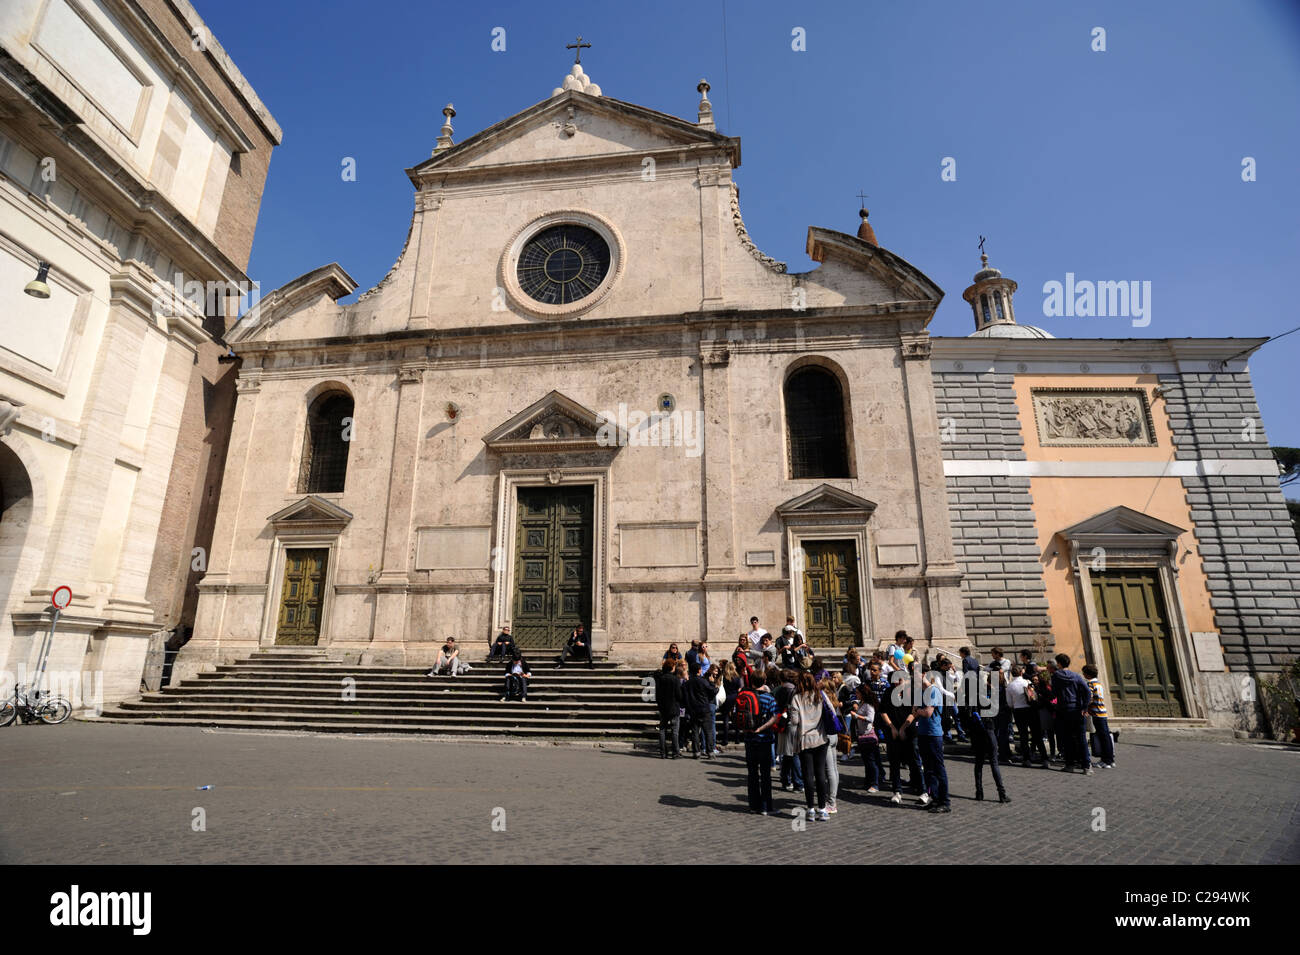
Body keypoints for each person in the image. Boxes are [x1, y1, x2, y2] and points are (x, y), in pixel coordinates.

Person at [879, 668, 926, 806]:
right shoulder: (888, 692)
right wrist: (893, 728)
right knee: (894, 762)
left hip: (909, 731)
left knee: (915, 762)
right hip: (893, 732)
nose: (897, 683)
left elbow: (914, 712)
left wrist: (903, 728)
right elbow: (883, 711)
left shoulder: (912, 692)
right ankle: (897, 791)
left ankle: (923, 791)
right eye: (895, 680)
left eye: (899, 680)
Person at [788, 670, 831, 821]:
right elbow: (832, 710)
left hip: (804, 739)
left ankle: (810, 809)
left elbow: (794, 721)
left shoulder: (796, 698)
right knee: (820, 774)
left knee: (807, 775)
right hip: (820, 738)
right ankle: (822, 808)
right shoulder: (820, 695)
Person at [964, 673, 1010, 803]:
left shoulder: (977, 694)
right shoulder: (995, 694)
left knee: (978, 763)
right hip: (989, 729)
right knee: (994, 762)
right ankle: (1002, 794)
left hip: (977, 731)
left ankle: (979, 792)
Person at [741, 673, 780, 814]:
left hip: (749, 739)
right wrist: (762, 728)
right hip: (764, 739)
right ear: (764, 681)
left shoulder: (745, 696)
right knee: (765, 774)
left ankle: (753, 805)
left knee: (752, 773)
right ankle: (765, 806)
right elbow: (775, 717)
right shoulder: (769, 698)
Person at [1051, 653, 1094, 775]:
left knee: (1067, 738)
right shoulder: (1076, 676)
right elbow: (1087, 692)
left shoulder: (1056, 676)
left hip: (1063, 710)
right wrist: (1084, 707)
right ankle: (1087, 766)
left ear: (1059, 663)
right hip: (1077, 710)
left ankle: (1069, 764)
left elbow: (1054, 692)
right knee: (1081, 738)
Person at [914, 673, 951, 813]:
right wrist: (918, 710)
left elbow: (927, 713)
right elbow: (916, 711)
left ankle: (945, 801)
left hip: (933, 734)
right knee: (928, 769)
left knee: (938, 768)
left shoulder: (933, 690)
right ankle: (935, 798)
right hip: (923, 733)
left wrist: (918, 710)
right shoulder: (921, 692)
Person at [773, 669, 804, 791]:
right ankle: (798, 783)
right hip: (794, 723)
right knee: (793, 753)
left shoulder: (781, 690)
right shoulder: (797, 689)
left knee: (787, 754)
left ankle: (786, 780)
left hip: (784, 722)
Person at [1008, 664, 1045, 765]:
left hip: (1018, 711)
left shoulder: (1010, 686)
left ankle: (1026, 759)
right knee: (1036, 734)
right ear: (1021, 673)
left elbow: (1010, 703)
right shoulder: (1027, 682)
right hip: (1031, 710)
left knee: (1023, 735)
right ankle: (1044, 759)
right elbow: (1034, 695)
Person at [1083, 664, 1115, 769]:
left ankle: (1106, 761)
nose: (1083, 675)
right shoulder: (1098, 683)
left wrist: (1085, 708)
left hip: (1097, 713)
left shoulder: (1090, 684)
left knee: (1103, 737)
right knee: (1106, 737)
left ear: (1087, 674)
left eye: (1084, 673)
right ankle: (1110, 759)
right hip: (1103, 712)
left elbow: (1089, 698)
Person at [684, 661, 717, 759]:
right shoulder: (703, 681)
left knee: (695, 731)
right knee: (708, 731)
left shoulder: (688, 683)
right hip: (704, 708)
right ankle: (710, 751)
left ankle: (696, 752)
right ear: (699, 670)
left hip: (693, 709)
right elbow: (713, 691)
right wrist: (712, 683)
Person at [652, 660, 682, 758]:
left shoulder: (660, 679)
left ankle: (663, 752)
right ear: (672, 667)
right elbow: (679, 695)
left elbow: (657, 695)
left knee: (662, 730)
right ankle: (675, 752)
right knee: (675, 731)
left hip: (663, 708)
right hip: (674, 708)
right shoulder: (675, 679)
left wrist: (660, 705)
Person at [719, 660, 744, 745]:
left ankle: (725, 739)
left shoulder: (724, 677)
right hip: (735, 698)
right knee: (735, 719)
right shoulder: (737, 677)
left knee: (726, 719)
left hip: (726, 698)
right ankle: (737, 738)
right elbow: (739, 688)